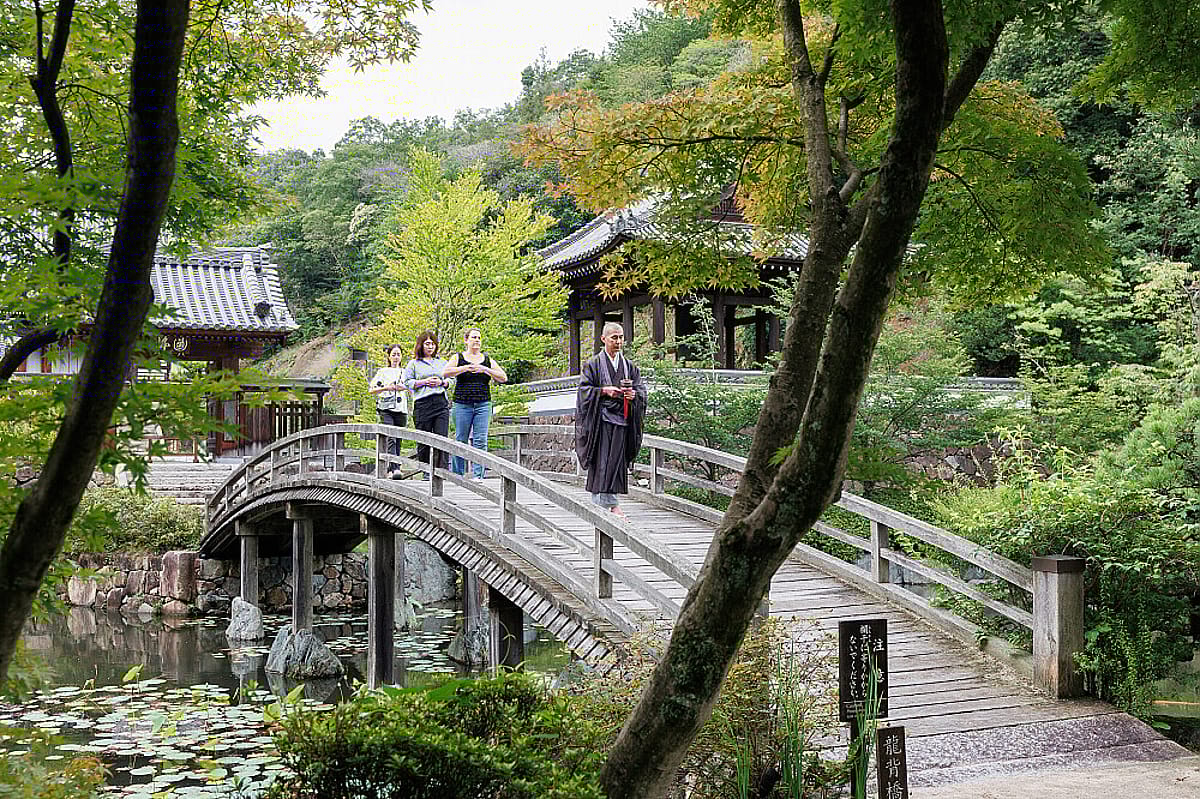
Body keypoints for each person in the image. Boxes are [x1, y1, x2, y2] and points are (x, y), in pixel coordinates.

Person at [575, 322, 647, 517]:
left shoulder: (629, 366)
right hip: (601, 421)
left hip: (623, 420)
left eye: (621, 337)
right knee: (603, 463)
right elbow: (584, 391)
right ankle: (607, 505)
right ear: (603, 339)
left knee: (615, 463)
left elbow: (641, 390)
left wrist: (634, 396)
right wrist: (603, 391)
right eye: (614, 337)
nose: (618, 341)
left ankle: (610, 504)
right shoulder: (593, 364)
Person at [442, 328, 506, 479]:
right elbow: (445, 372)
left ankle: (479, 476)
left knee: (480, 439)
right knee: (461, 438)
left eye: (479, 337)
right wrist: (465, 368)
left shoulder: (487, 360)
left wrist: (484, 369)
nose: (476, 340)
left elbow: (503, 377)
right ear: (466, 340)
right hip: (462, 404)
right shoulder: (458, 357)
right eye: (473, 337)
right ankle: (458, 475)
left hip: (483, 404)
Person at [402, 330, 450, 470]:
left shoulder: (442, 362)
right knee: (424, 438)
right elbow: (407, 382)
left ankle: (442, 470)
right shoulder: (413, 364)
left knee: (441, 436)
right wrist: (424, 382)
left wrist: (441, 383)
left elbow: (451, 379)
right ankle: (425, 470)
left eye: (433, 344)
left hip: (440, 401)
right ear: (421, 345)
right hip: (423, 403)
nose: (430, 347)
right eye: (427, 344)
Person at [370, 344, 409, 477]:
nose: (396, 357)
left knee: (398, 438)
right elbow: (372, 389)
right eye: (394, 354)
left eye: (398, 354)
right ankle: (395, 469)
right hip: (386, 408)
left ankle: (392, 468)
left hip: (401, 408)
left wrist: (402, 387)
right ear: (389, 356)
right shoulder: (383, 372)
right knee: (391, 436)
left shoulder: (406, 372)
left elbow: (412, 387)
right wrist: (387, 388)